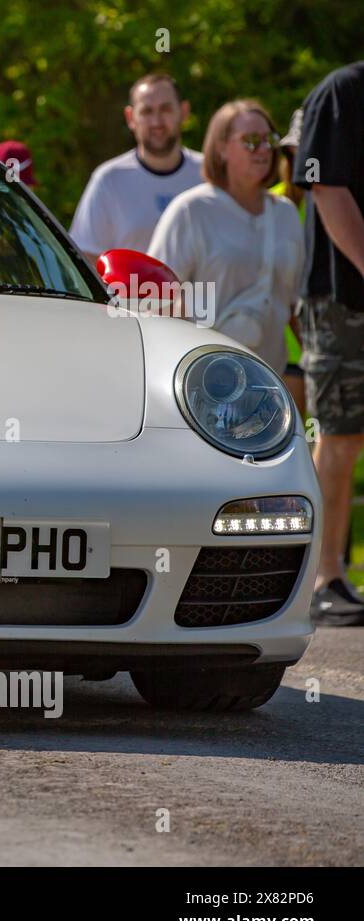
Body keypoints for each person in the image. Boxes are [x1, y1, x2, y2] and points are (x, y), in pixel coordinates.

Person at [147, 100, 303, 378]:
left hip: (270, 385)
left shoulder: (286, 214)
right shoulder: (191, 211)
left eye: (270, 140)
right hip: (202, 383)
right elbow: (151, 299)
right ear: (221, 148)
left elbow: (297, 306)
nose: (264, 149)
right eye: (251, 141)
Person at [292, 61, 364, 624]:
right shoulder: (341, 92)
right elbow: (324, 186)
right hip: (342, 301)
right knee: (339, 436)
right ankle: (322, 577)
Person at [70, 73, 203, 260]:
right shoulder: (109, 180)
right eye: (147, 111)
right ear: (130, 117)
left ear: (184, 111)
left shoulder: (210, 174)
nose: (157, 122)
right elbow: (85, 257)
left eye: (165, 109)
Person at [274, 108, 307, 412]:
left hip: (340, 346)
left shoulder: (343, 203)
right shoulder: (270, 204)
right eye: (293, 150)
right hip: (285, 355)